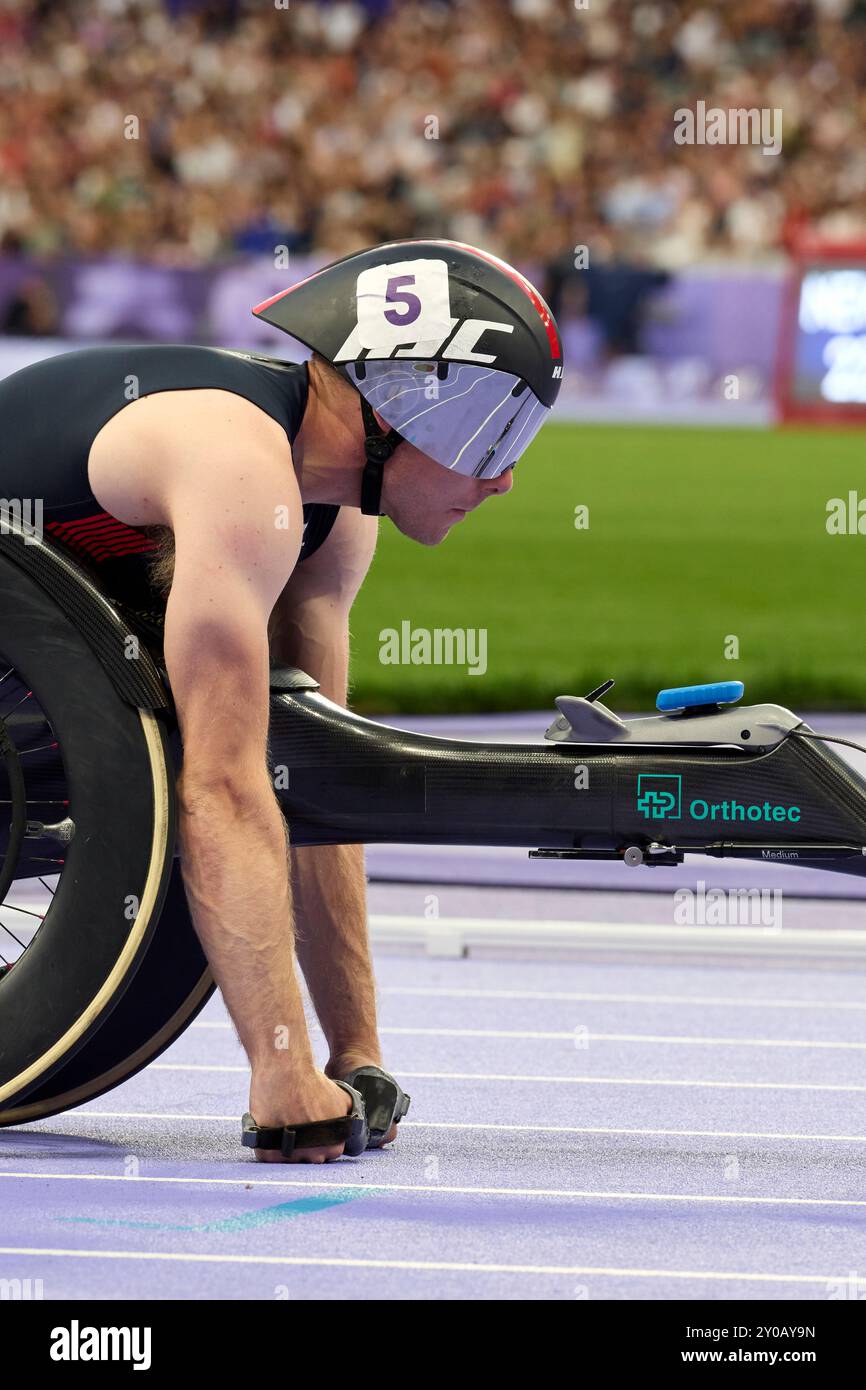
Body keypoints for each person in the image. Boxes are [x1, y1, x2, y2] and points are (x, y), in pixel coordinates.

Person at [0, 239, 563, 1161]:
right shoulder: (238, 466)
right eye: (492, 433)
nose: (503, 476)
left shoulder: (332, 525)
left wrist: (356, 1056)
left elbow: (310, 787)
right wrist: (280, 1073)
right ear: (403, 402)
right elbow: (222, 790)